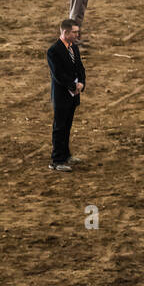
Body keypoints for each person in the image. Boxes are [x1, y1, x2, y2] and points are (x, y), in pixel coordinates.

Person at [47, 18, 86, 172]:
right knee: (59, 128)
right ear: (65, 32)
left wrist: (81, 83)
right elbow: (58, 75)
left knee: (67, 126)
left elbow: (80, 68)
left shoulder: (73, 48)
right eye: (75, 32)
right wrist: (73, 86)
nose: (77, 35)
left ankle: (66, 155)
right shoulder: (53, 51)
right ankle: (56, 161)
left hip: (73, 95)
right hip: (62, 96)